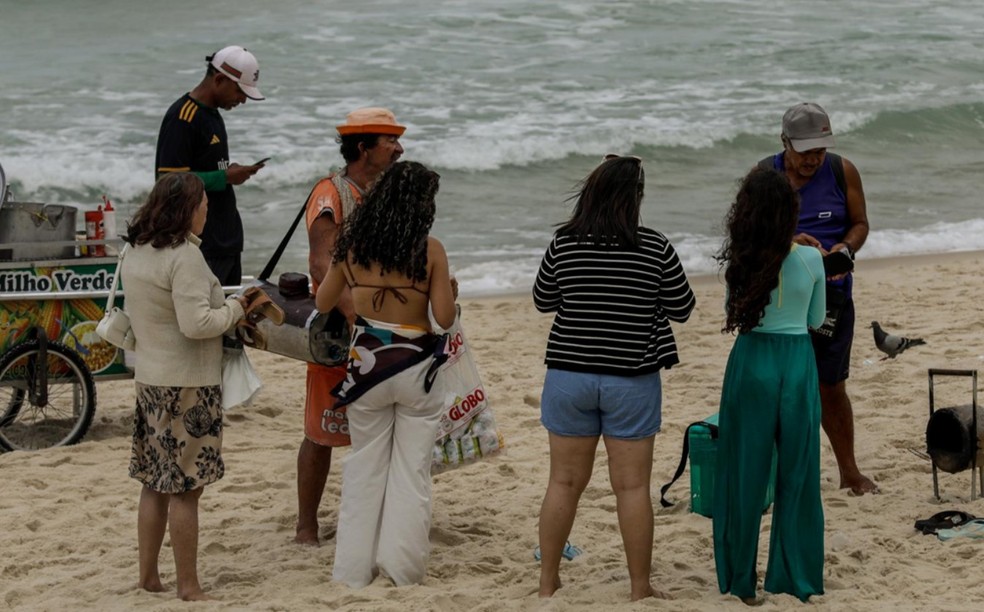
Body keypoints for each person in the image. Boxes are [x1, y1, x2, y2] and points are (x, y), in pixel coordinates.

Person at [532, 155, 696, 601]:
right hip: (631, 379)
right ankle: (639, 588)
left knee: (563, 482)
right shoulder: (654, 246)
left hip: (569, 375)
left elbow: (543, 300)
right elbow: (682, 307)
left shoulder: (564, 243)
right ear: (636, 198)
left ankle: (547, 583)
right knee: (631, 487)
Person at [315, 160, 455, 587]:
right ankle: (401, 571)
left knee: (365, 468)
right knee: (411, 472)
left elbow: (323, 303)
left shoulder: (352, 247)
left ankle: (353, 572)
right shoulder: (430, 250)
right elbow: (444, 318)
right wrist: (453, 292)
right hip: (415, 365)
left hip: (367, 365)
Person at [121, 173, 248, 600]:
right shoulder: (184, 258)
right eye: (204, 207)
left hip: (150, 381)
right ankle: (189, 586)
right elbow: (197, 325)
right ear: (188, 210)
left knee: (154, 482)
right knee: (187, 490)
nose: (207, 213)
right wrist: (236, 307)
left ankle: (148, 577)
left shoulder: (134, 249)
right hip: (187, 387)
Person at [712, 166, 826, 603]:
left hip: (751, 361)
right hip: (796, 362)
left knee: (744, 471)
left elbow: (736, 314)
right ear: (790, 213)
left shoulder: (741, 261)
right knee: (797, 472)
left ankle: (740, 581)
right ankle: (794, 578)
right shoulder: (811, 258)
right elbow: (815, 320)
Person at [294, 107, 407, 545]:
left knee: (378, 430)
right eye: (390, 141)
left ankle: (371, 520)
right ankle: (306, 525)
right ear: (363, 148)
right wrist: (361, 320)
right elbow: (324, 264)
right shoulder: (330, 193)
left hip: (380, 323)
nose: (399, 149)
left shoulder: (383, 191)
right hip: (341, 332)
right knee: (321, 430)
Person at [759, 102, 876, 495]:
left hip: (833, 298)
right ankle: (774, 478)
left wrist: (845, 248)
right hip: (777, 305)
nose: (813, 159)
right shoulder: (764, 176)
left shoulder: (842, 170)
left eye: (819, 150)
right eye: (805, 150)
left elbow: (860, 224)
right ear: (785, 142)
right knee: (777, 388)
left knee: (831, 387)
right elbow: (745, 236)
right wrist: (787, 243)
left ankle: (849, 472)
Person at [155, 45, 267, 286]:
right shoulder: (183, 117)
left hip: (225, 242)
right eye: (240, 91)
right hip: (202, 246)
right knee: (205, 319)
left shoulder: (213, 114)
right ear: (219, 79)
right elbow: (168, 182)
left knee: (227, 318)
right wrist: (225, 177)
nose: (243, 100)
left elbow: (209, 167)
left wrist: (228, 172)